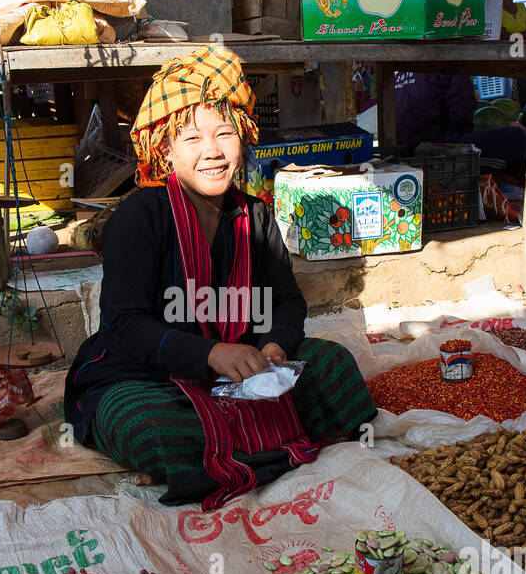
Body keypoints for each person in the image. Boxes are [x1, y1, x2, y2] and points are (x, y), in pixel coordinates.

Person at [64, 45, 376, 510]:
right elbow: (126, 326)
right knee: (141, 423)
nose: (212, 152)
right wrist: (211, 353)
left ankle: (211, 456)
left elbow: (287, 302)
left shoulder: (256, 215)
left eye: (224, 134)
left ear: (244, 138)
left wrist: (275, 347)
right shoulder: (138, 218)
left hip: (245, 366)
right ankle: (259, 442)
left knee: (334, 366)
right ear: (166, 150)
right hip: (151, 376)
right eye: (191, 139)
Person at [393, 72, 526, 175]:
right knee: (517, 136)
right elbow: (462, 113)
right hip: (431, 153)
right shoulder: (448, 63)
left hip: (401, 152)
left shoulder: (403, 72)